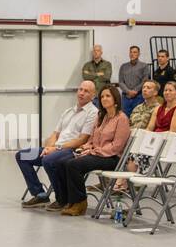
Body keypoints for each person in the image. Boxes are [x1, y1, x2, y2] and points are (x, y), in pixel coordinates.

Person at [52, 85, 130, 216]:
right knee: (63, 162)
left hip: (111, 158)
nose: (104, 99)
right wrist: (85, 148)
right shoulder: (101, 117)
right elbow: (91, 140)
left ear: (115, 99)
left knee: (73, 165)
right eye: (102, 96)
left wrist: (94, 151)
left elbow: (117, 146)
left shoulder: (121, 118)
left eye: (108, 96)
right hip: (98, 154)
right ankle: (69, 200)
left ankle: (80, 202)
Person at [18, 81, 97, 209]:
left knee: (49, 160)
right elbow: (55, 134)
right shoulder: (68, 111)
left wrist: (55, 149)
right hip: (55, 148)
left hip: (71, 150)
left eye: (86, 91)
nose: (81, 93)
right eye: (80, 89)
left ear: (93, 95)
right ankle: (40, 194)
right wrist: (49, 147)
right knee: (22, 155)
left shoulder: (93, 113)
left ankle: (62, 199)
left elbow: (82, 140)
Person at [118, 45, 150, 114]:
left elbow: (145, 81)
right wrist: (128, 91)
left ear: (139, 54)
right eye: (131, 52)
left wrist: (135, 91)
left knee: (137, 116)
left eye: (135, 52)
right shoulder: (123, 66)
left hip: (138, 96)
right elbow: (121, 82)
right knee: (125, 117)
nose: (132, 54)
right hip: (125, 97)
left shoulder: (144, 66)